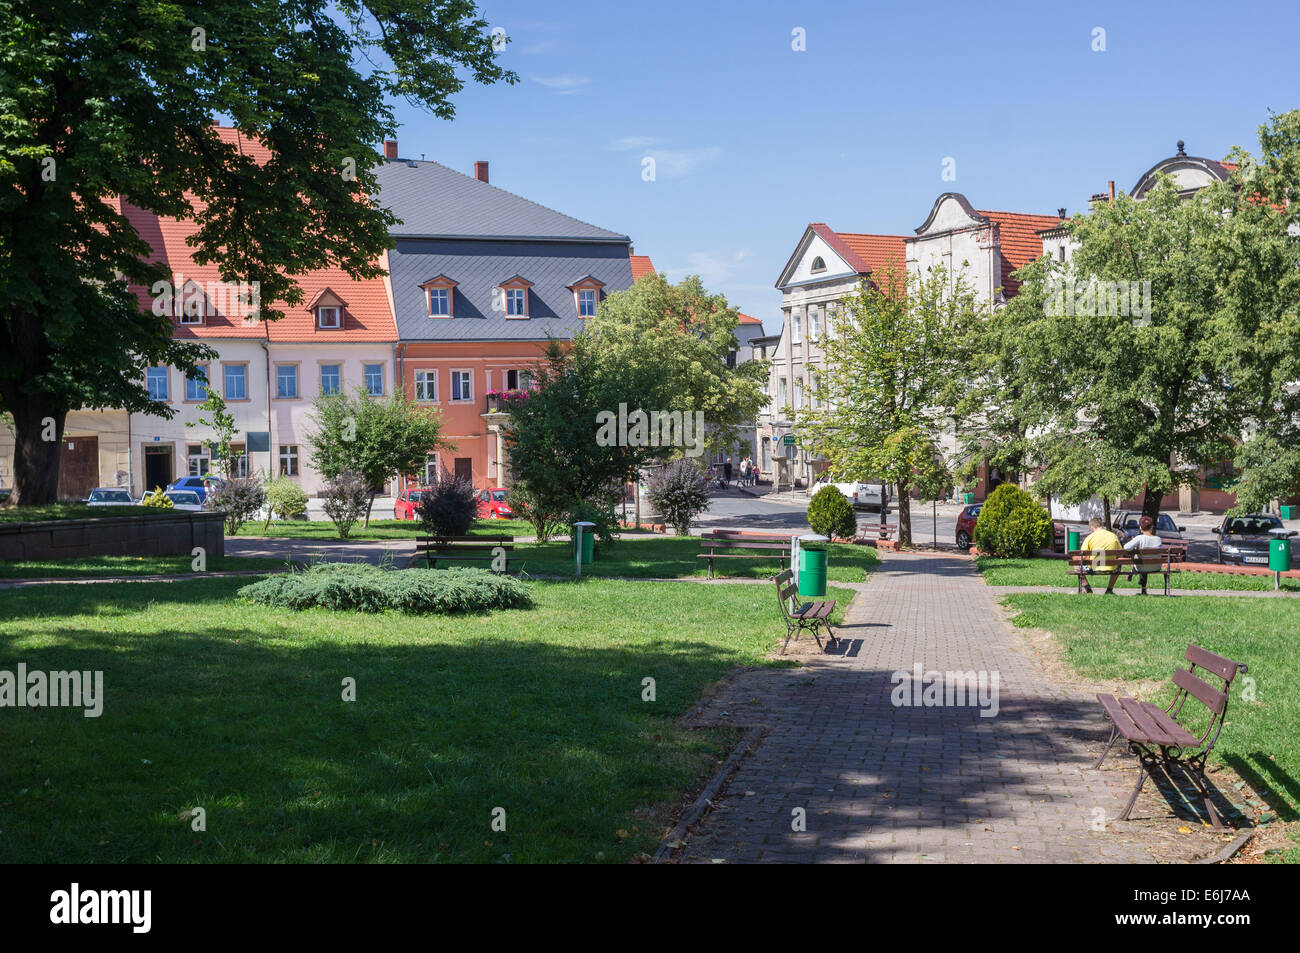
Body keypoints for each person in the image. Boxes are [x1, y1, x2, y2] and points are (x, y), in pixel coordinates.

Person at [1080, 516, 1123, 594]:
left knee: (1077, 566)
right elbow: (1120, 553)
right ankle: (1109, 589)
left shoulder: (1089, 537)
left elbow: (1084, 556)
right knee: (1118, 564)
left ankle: (1088, 590)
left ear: (1092, 527)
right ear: (1102, 526)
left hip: (1094, 567)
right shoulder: (1113, 536)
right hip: (1112, 568)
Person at [1124, 515, 1164, 595]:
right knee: (1143, 560)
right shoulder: (1158, 539)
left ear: (1140, 528)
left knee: (1140, 560)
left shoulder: (1139, 538)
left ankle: (1131, 574)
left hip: (1142, 566)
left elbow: (1126, 547)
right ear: (1152, 527)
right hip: (1156, 566)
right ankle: (1142, 588)